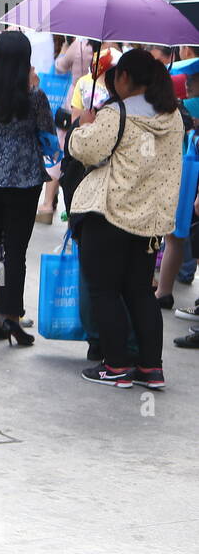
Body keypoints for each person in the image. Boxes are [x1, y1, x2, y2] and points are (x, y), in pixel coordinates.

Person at [71, 50, 183, 388]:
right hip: (150, 221)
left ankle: (116, 365)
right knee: (139, 293)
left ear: (124, 79)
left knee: (104, 291)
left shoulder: (116, 114)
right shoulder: (172, 116)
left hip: (109, 214)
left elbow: (85, 151)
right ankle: (151, 369)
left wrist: (82, 127)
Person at [0, 31, 55, 346]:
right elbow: (48, 136)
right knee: (15, 250)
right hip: (23, 180)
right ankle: (11, 315)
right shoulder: (33, 96)